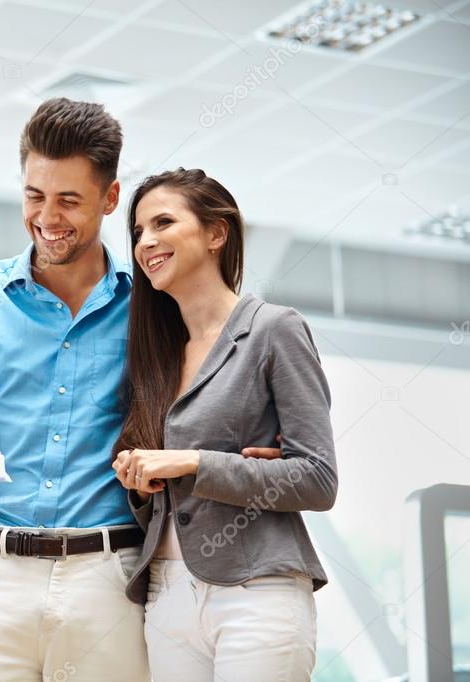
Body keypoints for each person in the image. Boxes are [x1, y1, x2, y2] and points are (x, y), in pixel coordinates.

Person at [0, 100, 281, 680]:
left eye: (69, 200)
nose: (47, 217)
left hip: (110, 578)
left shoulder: (154, 306)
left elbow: (214, 373)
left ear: (110, 199)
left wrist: (267, 436)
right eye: (35, 195)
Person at [111, 168, 338, 681]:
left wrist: (193, 461)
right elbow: (166, 488)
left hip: (257, 589)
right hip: (167, 590)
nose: (147, 242)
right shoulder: (157, 355)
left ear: (217, 233)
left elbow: (318, 479)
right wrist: (141, 481)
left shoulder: (274, 330)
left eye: (163, 223)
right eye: (138, 231)